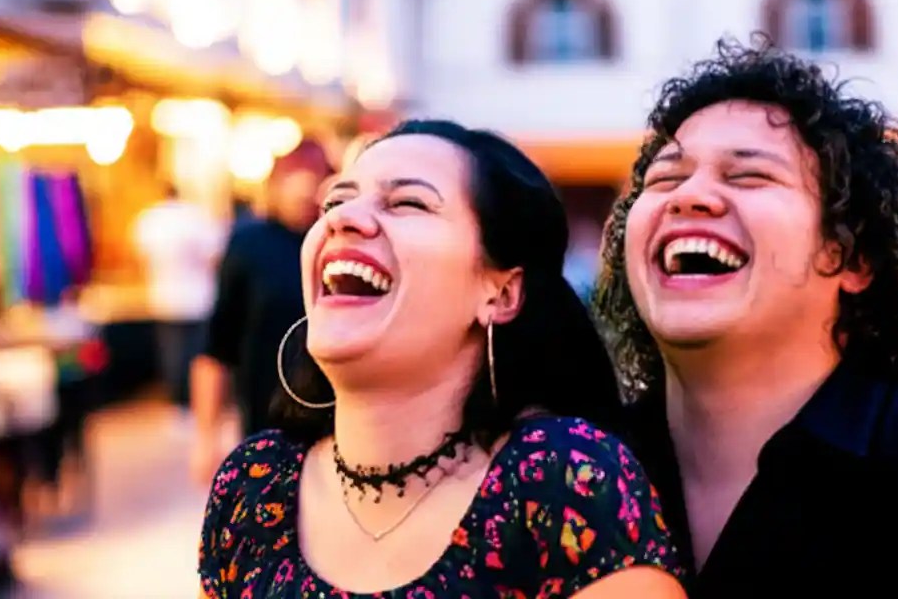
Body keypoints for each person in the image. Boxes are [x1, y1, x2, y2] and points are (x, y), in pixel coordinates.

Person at [593, 38, 898, 597]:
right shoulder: (566, 481)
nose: (690, 197)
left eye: (748, 177)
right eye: (665, 179)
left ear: (852, 256)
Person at [199, 120, 686, 598]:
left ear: (500, 293)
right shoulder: (254, 484)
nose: (343, 219)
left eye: (407, 202)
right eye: (337, 201)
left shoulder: (563, 480)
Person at [190, 140, 333, 483]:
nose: (304, 192)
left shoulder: (338, 241)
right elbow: (217, 348)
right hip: (266, 424)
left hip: (339, 426)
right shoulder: (249, 244)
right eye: (296, 180)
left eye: (314, 181)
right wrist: (206, 438)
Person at [133, 183, 223, 411]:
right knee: (198, 355)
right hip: (198, 297)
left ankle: (178, 402)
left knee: (172, 354)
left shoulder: (150, 219)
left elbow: (141, 257)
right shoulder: (197, 217)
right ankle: (195, 403)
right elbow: (214, 258)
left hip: (165, 297)